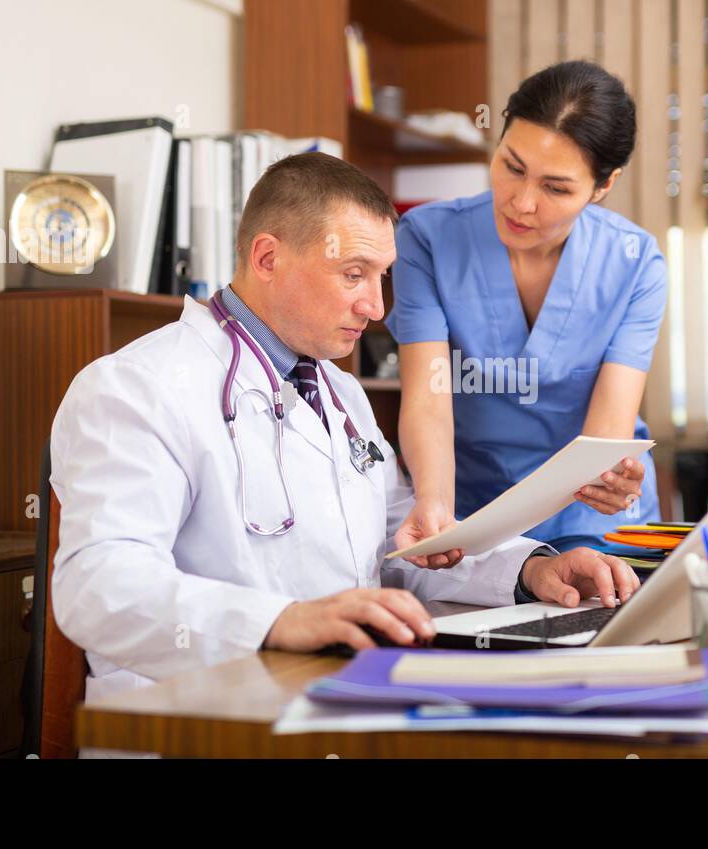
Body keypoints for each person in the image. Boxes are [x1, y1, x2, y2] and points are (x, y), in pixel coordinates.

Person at [49, 153, 639, 700]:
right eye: (354, 274)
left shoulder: (340, 393)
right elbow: (98, 587)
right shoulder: (134, 387)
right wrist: (281, 621)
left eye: (382, 276)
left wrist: (529, 570)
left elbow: (399, 543)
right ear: (267, 258)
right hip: (199, 709)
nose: (376, 307)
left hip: (334, 689)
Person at [387, 60, 667, 567]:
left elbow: (603, 437)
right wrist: (434, 503)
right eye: (513, 166)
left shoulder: (635, 264)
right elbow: (428, 399)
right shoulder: (427, 240)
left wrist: (608, 479)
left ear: (603, 186)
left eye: (556, 188)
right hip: (469, 516)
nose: (521, 202)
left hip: (589, 520)